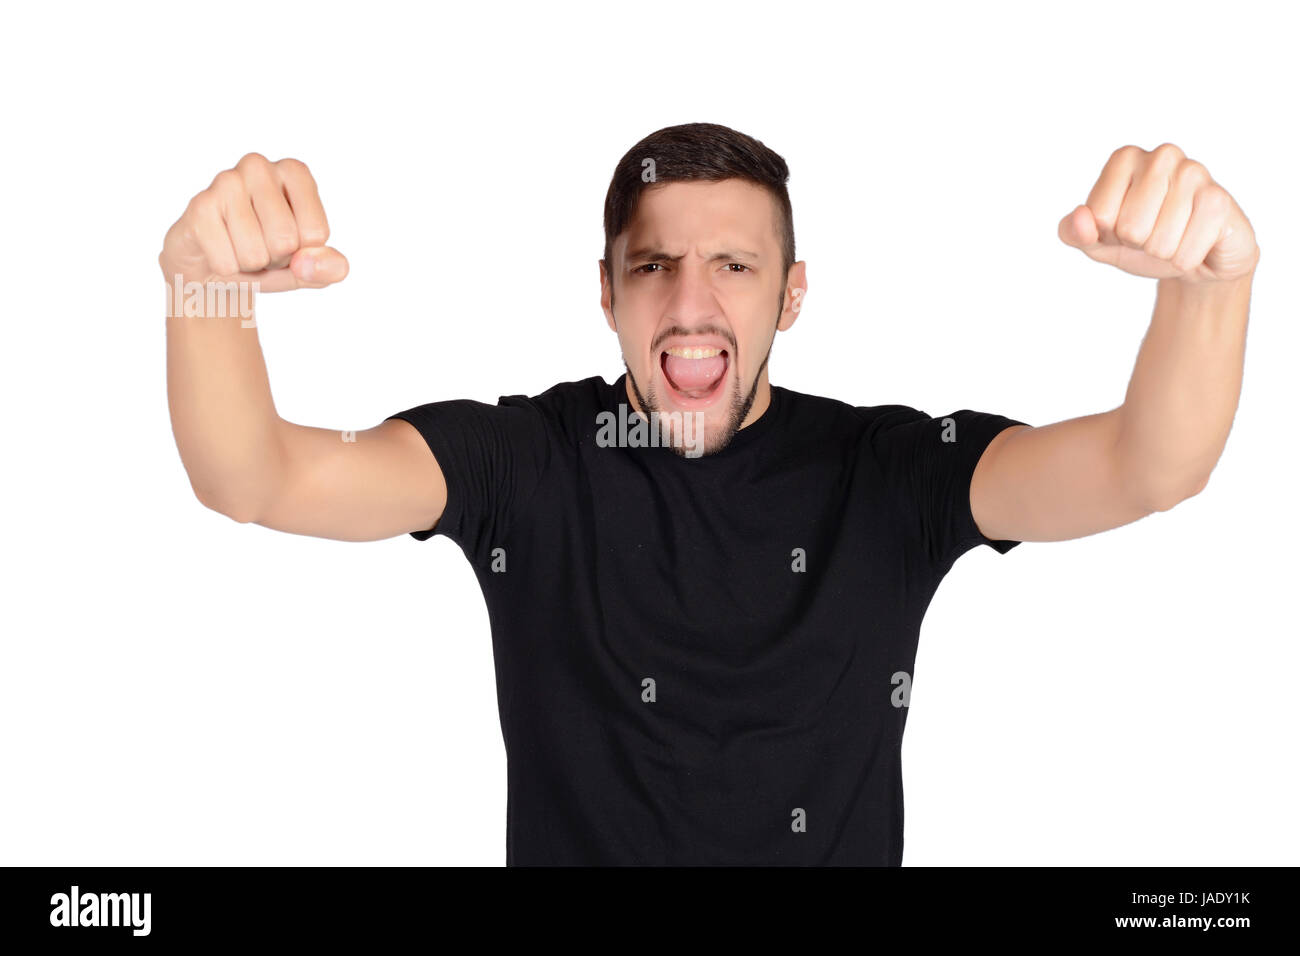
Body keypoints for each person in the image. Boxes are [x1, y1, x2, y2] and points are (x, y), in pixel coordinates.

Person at [160, 123, 1258, 865]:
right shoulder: (525, 459)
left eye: (734, 266)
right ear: (605, 292)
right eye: (652, 266)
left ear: (790, 297)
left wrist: (1211, 287)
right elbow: (255, 474)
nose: (690, 304)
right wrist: (202, 282)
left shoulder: (889, 474)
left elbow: (1146, 466)